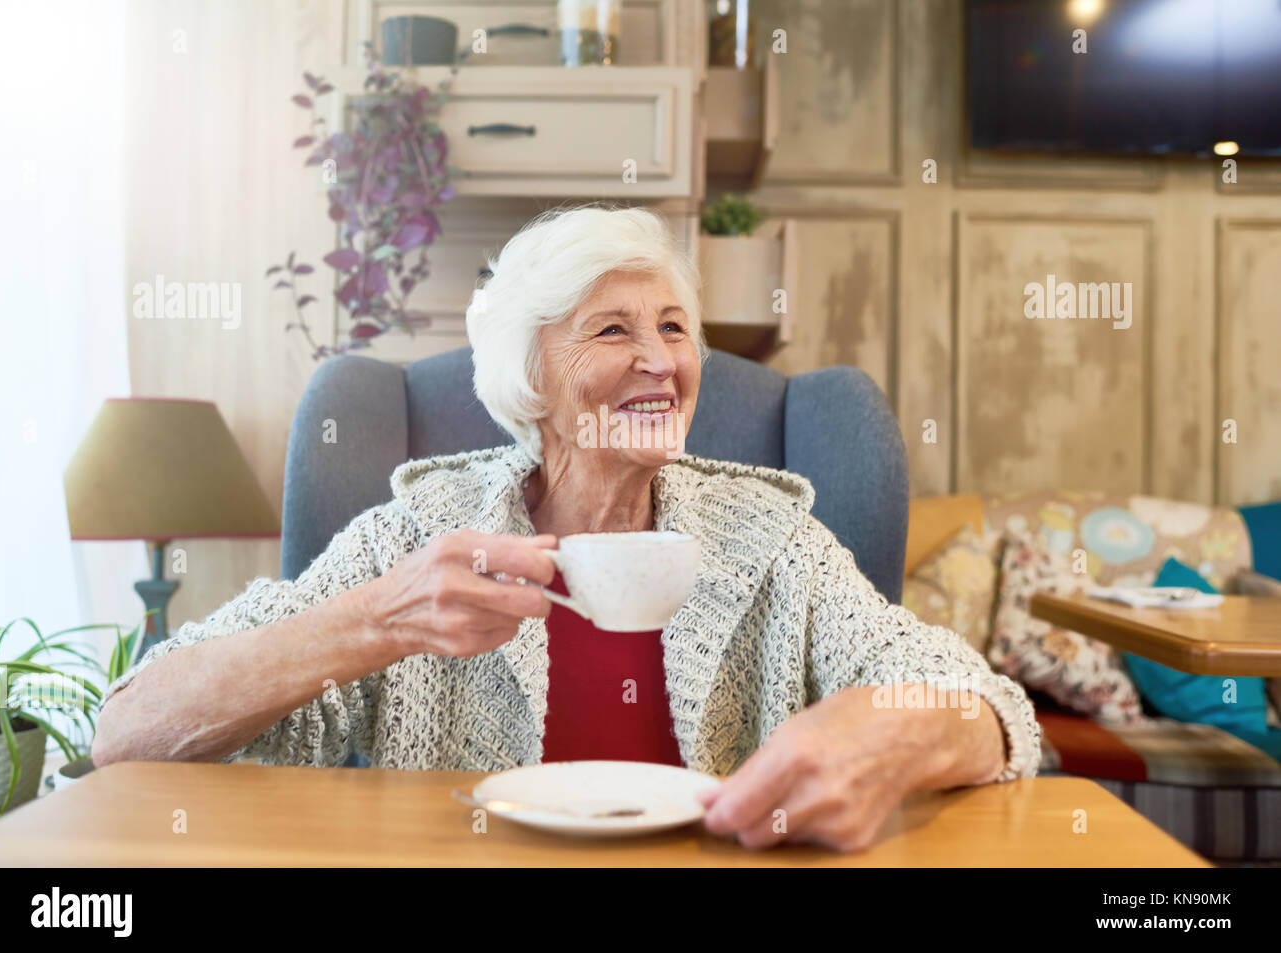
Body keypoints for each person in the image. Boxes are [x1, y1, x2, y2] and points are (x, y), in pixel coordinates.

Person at [94, 204, 1041, 852]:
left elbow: (986, 703)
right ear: (530, 373)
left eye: (675, 328)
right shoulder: (423, 534)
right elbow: (130, 729)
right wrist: (382, 618)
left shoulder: (770, 536)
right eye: (612, 330)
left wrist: (897, 731)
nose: (660, 361)